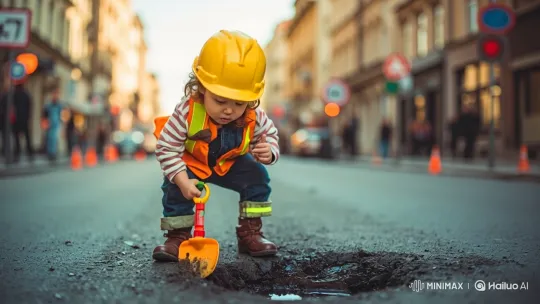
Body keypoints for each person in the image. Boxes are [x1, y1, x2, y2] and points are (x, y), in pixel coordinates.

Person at [151, 30, 280, 262]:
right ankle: (177, 236)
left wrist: (269, 151)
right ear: (201, 88)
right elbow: (166, 148)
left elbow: (269, 135)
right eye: (220, 101)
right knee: (174, 186)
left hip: (230, 164)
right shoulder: (187, 111)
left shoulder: (254, 115)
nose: (229, 110)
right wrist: (181, 180)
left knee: (257, 176)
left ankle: (251, 233)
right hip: (192, 164)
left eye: (239, 103)